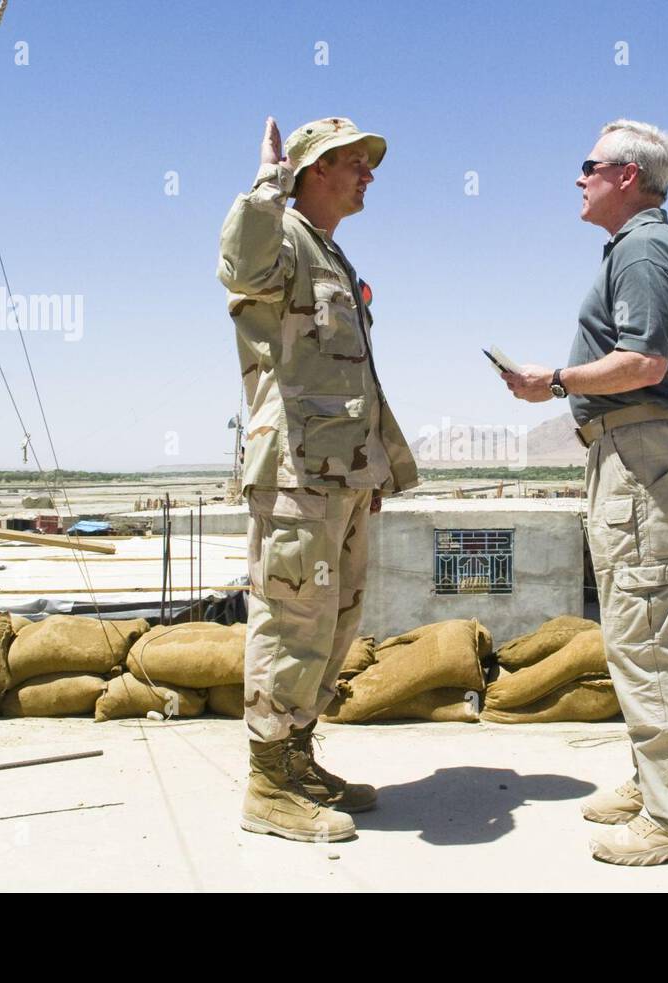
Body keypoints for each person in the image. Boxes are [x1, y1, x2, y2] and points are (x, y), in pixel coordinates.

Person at [503, 119, 668, 866]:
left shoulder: (646, 248)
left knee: (650, 637)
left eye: (588, 165)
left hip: (643, 454)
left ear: (627, 175)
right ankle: (654, 782)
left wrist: (552, 380)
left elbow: (645, 361)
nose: (578, 177)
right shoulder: (636, 246)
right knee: (638, 634)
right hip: (631, 454)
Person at [217, 116, 418, 843]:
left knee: (333, 622)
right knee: (291, 620)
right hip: (298, 473)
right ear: (311, 170)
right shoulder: (283, 236)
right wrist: (267, 184)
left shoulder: (329, 253)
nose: (369, 172)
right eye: (353, 161)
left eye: (369, 160)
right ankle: (267, 784)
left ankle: (296, 755)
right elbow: (239, 267)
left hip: (343, 474)